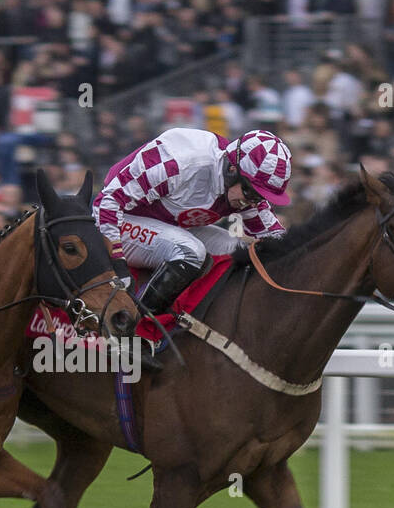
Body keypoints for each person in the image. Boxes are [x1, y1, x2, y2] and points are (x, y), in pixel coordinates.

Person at [93, 128, 292, 367]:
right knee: (191, 251)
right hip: (116, 217)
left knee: (239, 248)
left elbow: (277, 242)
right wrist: (117, 260)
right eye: (251, 192)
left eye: (260, 197)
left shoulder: (243, 187)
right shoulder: (181, 163)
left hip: (167, 224)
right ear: (232, 169)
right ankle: (130, 331)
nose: (252, 202)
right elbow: (109, 201)